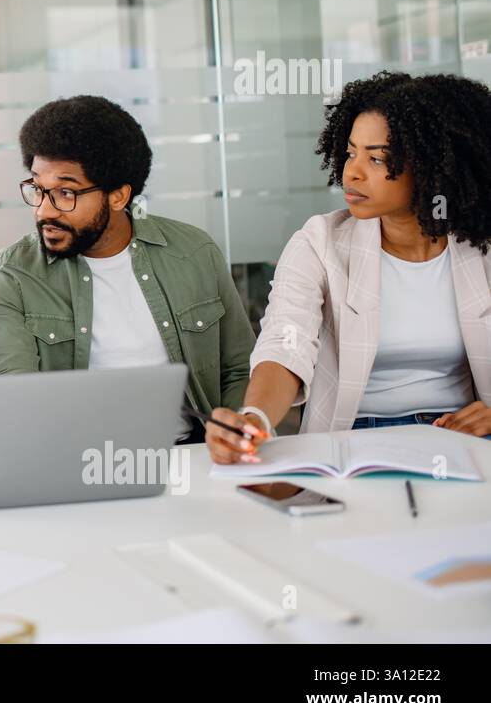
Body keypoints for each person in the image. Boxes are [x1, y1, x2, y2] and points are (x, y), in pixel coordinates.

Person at [207, 72, 491, 465]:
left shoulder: (481, 248)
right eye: (351, 152)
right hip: (354, 440)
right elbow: (286, 343)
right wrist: (254, 418)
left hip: (462, 439)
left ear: (432, 167)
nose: (352, 173)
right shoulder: (319, 243)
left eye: (376, 159)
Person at [0, 95, 254, 441]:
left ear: (118, 197)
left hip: (192, 455)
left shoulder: (195, 252)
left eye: (66, 192)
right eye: (38, 188)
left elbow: (238, 368)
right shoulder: (12, 276)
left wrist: (233, 429)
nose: (43, 211)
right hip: (76, 461)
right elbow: (15, 392)